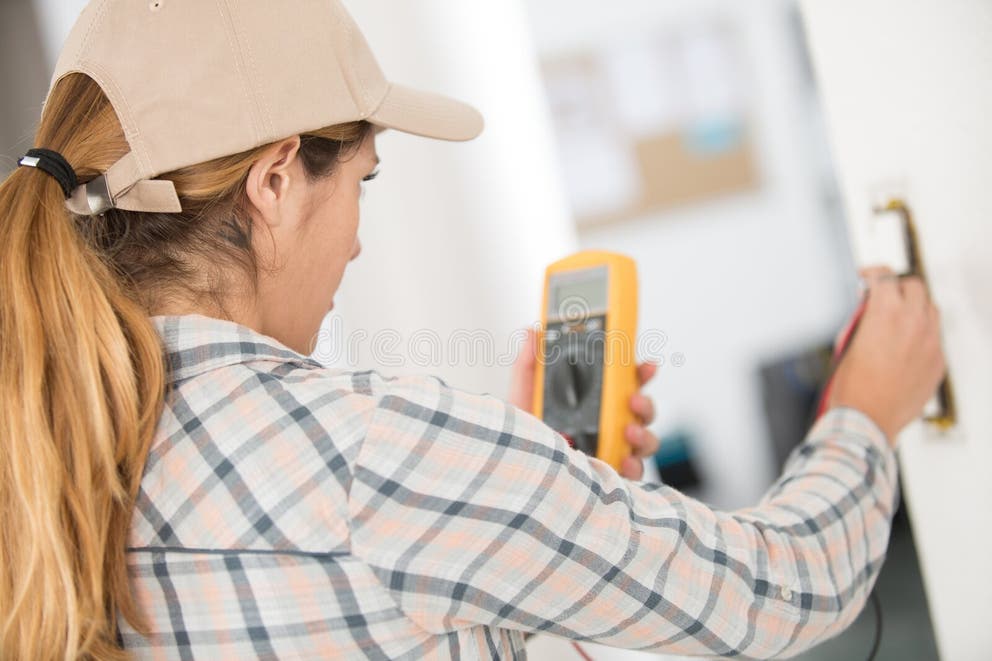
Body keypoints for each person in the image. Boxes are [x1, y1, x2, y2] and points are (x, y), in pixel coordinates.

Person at [0, 1, 945, 659]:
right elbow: (778, 592)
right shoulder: (380, 456)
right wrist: (864, 409)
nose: (357, 239)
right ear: (275, 183)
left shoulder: (45, 460)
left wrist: (523, 478)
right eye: (363, 180)